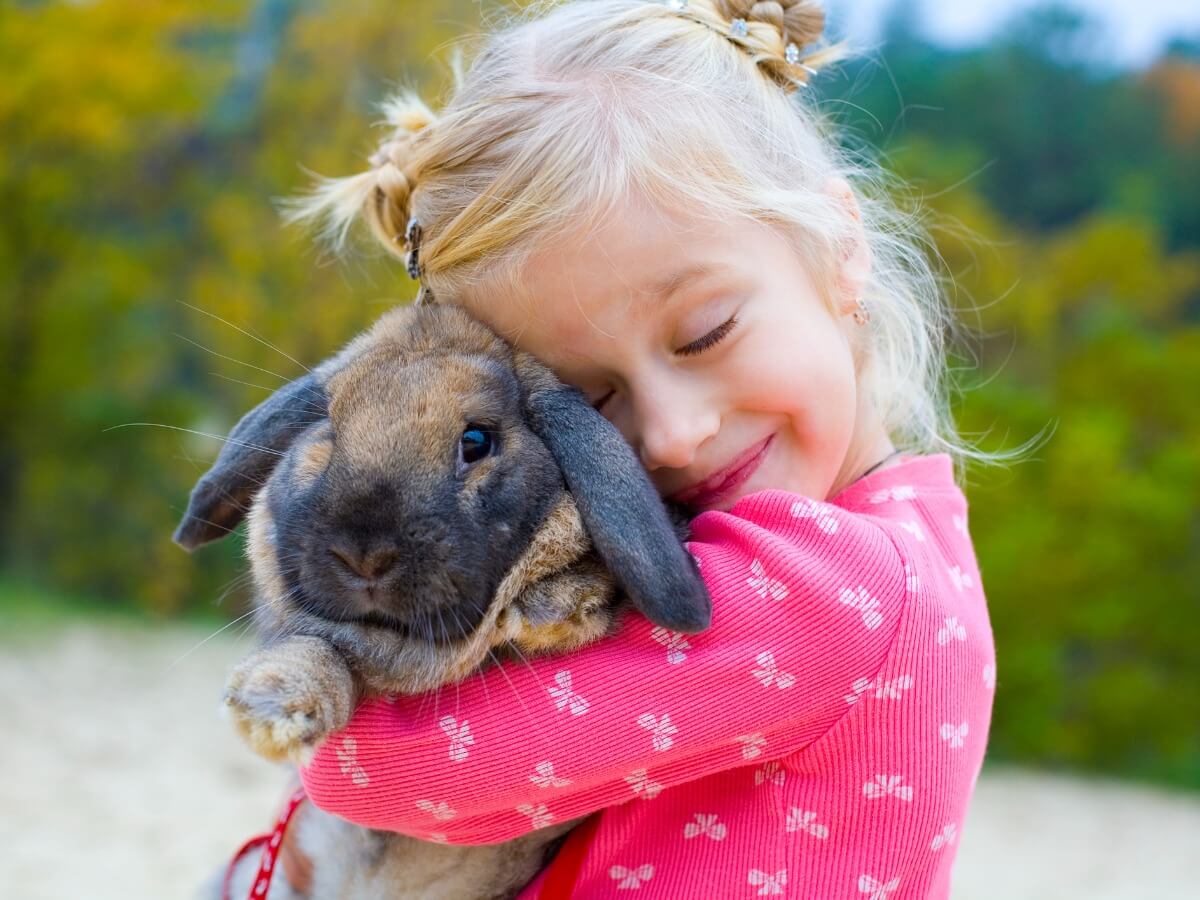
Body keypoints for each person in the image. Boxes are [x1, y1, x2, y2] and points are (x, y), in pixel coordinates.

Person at [283, 1, 997, 896]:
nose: (671, 432)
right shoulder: (917, 536)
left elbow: (378, 768)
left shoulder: (833, 592)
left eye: (705, 334)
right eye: (586, 401)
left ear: (841, 245)